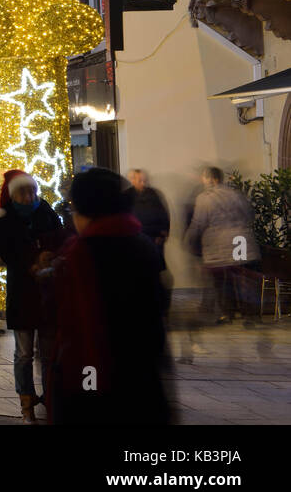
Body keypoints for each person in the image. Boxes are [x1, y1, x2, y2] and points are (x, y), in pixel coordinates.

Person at [49, 167, 172, 425]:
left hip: (98, 385)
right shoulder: (141, 242)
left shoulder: (83, 253)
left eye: (75, 209)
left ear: (88, 210)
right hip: (143, 379)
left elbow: (84, 328)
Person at [0, 170, 68, 423]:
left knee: (48, 353)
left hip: (46, 291)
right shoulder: (6, 218)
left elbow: (60, 239)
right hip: (22, 291)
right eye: (24, 192)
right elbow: (6, 250)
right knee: (24, 354)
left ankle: (50, 398)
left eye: (32, 191)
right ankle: (26, 403)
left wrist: (48, 257)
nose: (29, 196)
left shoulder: (45, 211)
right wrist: (30, 263)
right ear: (14, 194)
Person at [185, 166, 260, 323]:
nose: (202, 180)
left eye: (204, 177)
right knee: (243, 277)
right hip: (241, 240)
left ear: (213, 179)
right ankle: (250, 315)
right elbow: (250, 214)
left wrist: (189, 240)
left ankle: (227, 313)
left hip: (219, 245)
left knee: (222, 280)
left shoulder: (204, 198)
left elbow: (198, 223)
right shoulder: (236, 194)